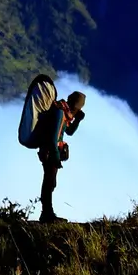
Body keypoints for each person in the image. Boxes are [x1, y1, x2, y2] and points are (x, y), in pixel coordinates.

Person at [35, 91, 86, 222]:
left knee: (50, 181)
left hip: (50, 151)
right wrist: (56, 157)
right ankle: (47, 214)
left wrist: (77, 120)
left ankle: (47, 213)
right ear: (76, 106)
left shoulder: (64, 112)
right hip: (50, 151)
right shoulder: (60, 112)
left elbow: (69, 131)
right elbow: (53, 138)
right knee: (49, 182)